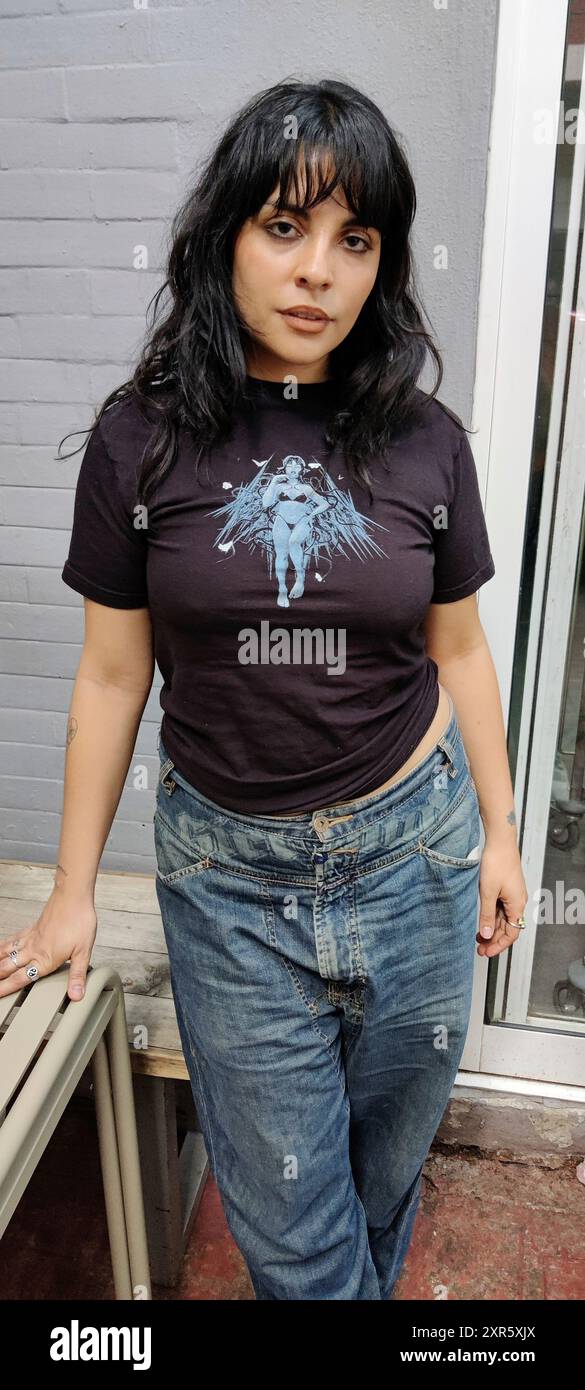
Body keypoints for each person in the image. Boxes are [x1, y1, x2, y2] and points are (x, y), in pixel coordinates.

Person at [0, 78, 528, 1301]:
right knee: (298, 1246)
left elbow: (460, 650)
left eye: (355, 240)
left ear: (382, 265)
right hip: (230, 887)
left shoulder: (425, 440)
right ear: (225, 236)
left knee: (382, 1184)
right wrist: (73, 889)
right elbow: (114, 670)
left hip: (420, 863)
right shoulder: (141, 439)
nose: (318, 272)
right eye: (285, 228)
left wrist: (502, 829)